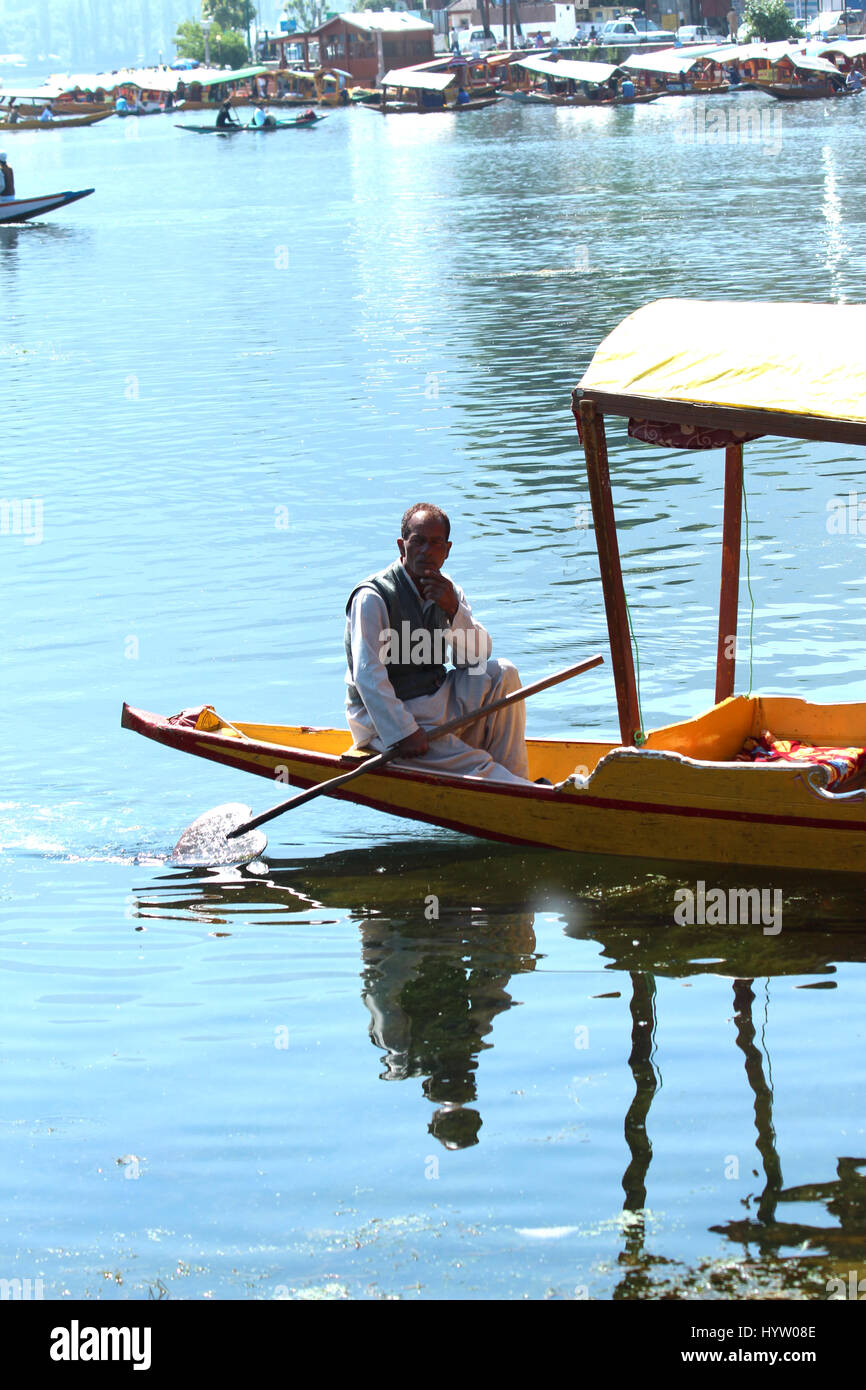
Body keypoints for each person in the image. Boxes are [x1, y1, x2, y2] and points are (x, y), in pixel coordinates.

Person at [344, 504, 532, 784]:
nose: (425, 551)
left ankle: (516, 779)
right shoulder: (373, 597)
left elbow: (474, 659)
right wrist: (403, 732)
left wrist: (454, 610)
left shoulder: (448, 590)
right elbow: (367, 675)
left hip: (435, 701)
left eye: (435, 543)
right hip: (385, 719)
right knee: (473, 764)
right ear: (402, 545)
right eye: (417, 541)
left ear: (447, 550)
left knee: (503, 673)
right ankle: (514, 787)